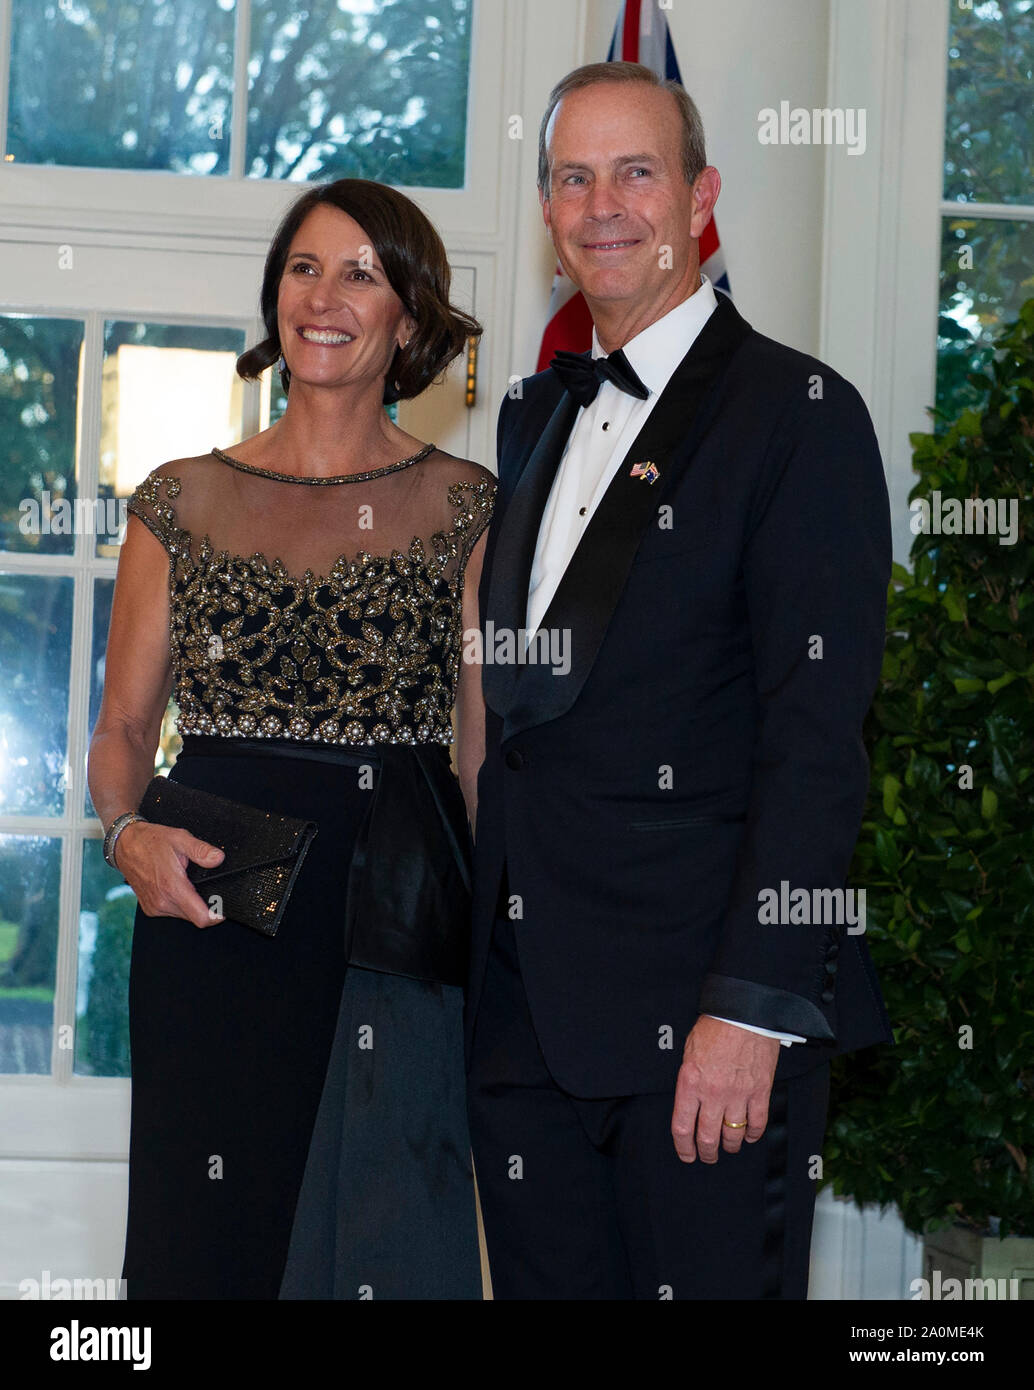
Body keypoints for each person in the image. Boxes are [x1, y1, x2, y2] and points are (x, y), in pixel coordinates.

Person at [465, 62, 893, 1300]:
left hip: (701, 1039)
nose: (603, 204)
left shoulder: (799, 413)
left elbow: (814, 737)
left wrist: (750, 1012)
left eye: (635, 171)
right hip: (525, 1033)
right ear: (547, 210)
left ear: (699, 197)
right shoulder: (533, 421)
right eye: (571, 177)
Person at [88, 178, 495, 1300]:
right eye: (304, 268)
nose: (325, 296)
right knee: (205, 1249)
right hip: (211, 917)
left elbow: (477, 757)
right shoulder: (177, 499)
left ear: (408, 318)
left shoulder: (470, 507)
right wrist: (125, 835)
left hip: (395, 931)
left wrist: (509, 946)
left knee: (385, 1242)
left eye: (362, 273)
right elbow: (123, 728)